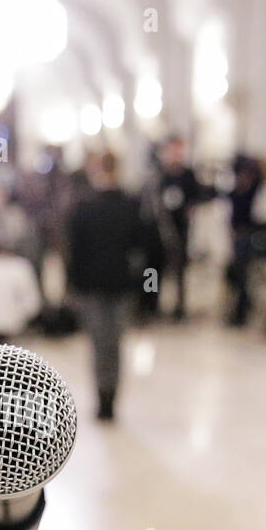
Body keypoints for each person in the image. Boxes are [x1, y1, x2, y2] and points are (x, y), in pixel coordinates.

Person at [67, 151, 150, 421]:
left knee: (100, 344)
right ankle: (109, 398)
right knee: (113, 344)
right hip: (120, 285)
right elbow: (148, 253)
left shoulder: (85, 207)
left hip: (95, 287)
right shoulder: (132, 205)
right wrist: (148, 290)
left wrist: (73, 286)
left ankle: (104, 397)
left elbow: (73, 253)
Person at [153, 134, 212, 320]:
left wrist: (191, 207)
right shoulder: (160, 174)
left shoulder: (188, 175)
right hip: (161, 228)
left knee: (180, 269)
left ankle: (179, 307)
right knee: (156, 269)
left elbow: (200, 196)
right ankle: (153, 305)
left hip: (181, 228)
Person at [224, 153, 266, 328]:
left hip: (248, 236)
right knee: (234, 275)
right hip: (236, 236)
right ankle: (237, 309)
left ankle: (242, 311)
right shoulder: (235, 191)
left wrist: (252, 162)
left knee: (243, 276)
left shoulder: (253, 188)